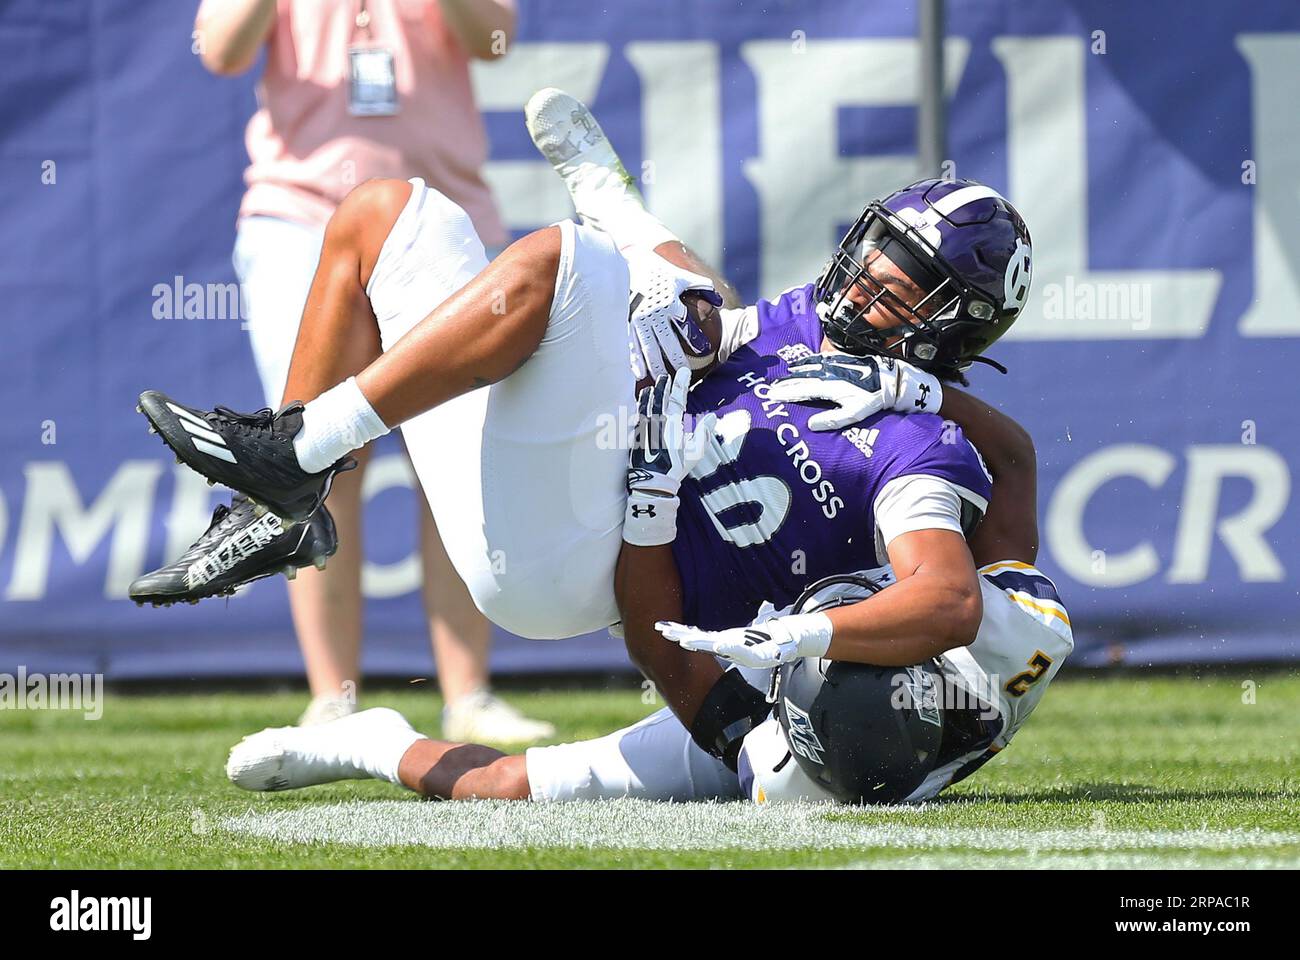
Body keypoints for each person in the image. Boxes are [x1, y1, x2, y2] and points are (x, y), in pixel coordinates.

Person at [134, 89, 1033, 776]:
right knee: (384, 213)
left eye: (911, 281)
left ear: (954, 327)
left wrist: (791, 632)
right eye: (882, 247)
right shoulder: (806, 324)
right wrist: (678, 312)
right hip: (562, 478)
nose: (874, 275)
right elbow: (709, 306)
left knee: (571, 263)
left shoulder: (924, 448)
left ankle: (294, 454)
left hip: (583, 556)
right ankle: (290, 496)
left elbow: (952, 589)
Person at [222, 378, 1072, 805]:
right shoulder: (1024, 634)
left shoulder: (787, 775)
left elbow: (656, 645)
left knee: (504, 792)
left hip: (768, 722)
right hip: (838, 658)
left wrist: (652, 506)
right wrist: (922, 392)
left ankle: (368, 743)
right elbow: (1019, 464)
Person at [168, 0, 554, 742]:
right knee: (313, 453)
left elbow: (494, 39)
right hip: (301, 222)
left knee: (459, 457)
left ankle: (468, 696)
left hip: (443, 218)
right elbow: (220, 49)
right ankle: (332, 700)